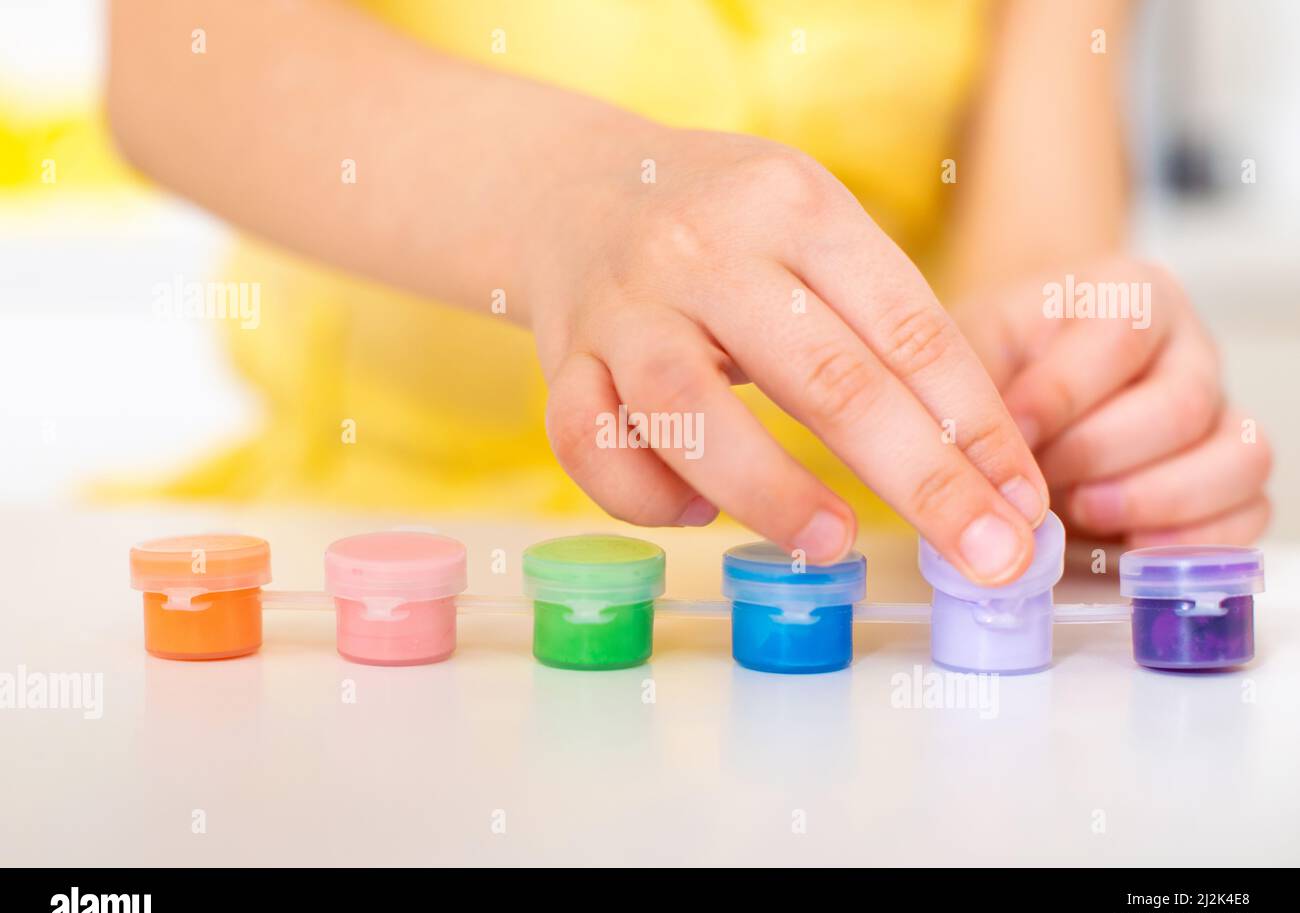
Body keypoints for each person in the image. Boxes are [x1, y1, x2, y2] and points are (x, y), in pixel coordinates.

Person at [105, 0, 1272, 585]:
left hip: (860, 611)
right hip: (393, 574)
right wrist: (569, 198)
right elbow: (181, 56)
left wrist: (1063, 406)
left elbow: (1031, 259)